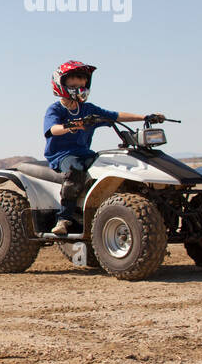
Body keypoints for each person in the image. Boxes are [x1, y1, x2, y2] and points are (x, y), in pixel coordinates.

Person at [44, 61, 164, 236]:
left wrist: (145, 116)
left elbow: (115, 116)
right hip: (63, 155)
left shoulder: (88, 109)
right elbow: (53, 129)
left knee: (113, 166)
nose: (79, 88)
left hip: (86, 154)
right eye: (74, 85)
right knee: (75, 171)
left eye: (82, 84)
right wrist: (72, 126)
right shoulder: (55, 109)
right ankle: (63, 218)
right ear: (61, 85)